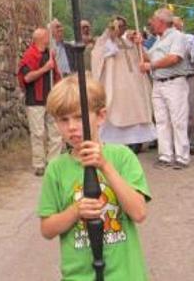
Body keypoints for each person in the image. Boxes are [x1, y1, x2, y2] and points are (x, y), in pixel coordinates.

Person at [38, 76, 150, 281]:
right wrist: (75, 211)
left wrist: (105, 166)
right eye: (63, 120)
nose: (71, 127)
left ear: (100, 116)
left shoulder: (122, 157)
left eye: (79, 117)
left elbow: (139, 213)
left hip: (126, 275)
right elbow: (47, 229)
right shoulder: (56, 169)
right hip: (78, 276)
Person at [91, 16, 155, 155]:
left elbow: (143, 57)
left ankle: (135, 142)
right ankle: (114, 143)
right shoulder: (104, 42)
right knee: (115, 112)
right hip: (115, 85)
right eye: (118, 26)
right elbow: (97, 59)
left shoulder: (128, 42)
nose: (121, 29)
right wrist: (110, 42)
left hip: (132, 85)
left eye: (123, 26)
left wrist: (138, 43)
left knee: (135, 112)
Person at [142, 8, 191, 169]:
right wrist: (138, 45)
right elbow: (149, 57)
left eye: (154, 21)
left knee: (178, 120)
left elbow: (174, 58)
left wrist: (151, 65)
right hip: (158, 82)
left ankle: (182, 156)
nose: (152, 24)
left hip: (174, 82)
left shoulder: (178, 36)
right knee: (162, 120)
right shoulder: (158, 40)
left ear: (162, 22)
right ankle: (165, 155)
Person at [18, 27, 63, 176]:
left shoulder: (50, 54)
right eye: (47, 36)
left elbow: (56, 75)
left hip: (50, 98)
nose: (49, 38)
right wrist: (45, 68)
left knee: (56, 132)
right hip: (35, 100)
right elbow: (27, 77)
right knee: (38, 133)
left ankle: (53, 162)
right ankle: (39, 164)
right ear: (41, 38)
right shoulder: (29, 55)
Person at [173, 16, 194, 155]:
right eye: (171, 25)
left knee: (191, 113)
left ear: (181, 25)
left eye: (176, 25)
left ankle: (192, 143)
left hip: (189, 77)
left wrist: (186, 51)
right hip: (172, 79)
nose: (174, 27)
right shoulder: (164, 41)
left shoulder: (191, 39)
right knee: (175, 114)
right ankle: (178, 143)